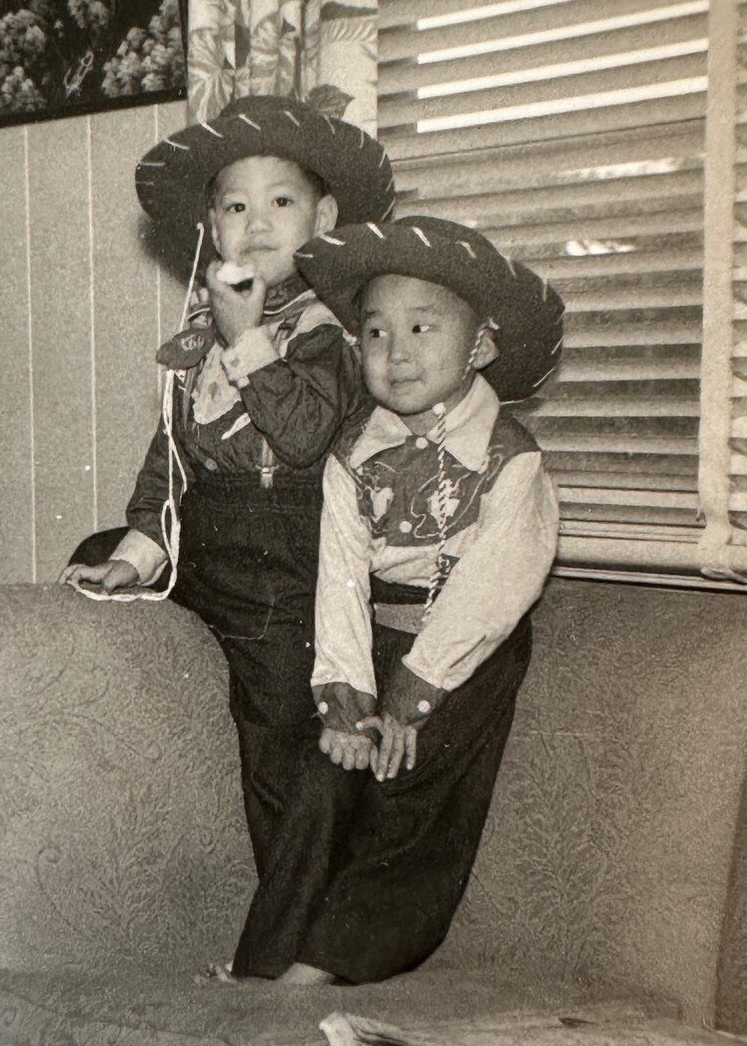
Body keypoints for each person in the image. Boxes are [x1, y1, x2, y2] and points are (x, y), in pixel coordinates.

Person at [60, 95, 396, 980]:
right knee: (98, 572)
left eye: (280, 203)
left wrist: (251, 342)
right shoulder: (198, 341)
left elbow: (302, 436)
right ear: (211, 223)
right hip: (211, 544)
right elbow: (168, 457)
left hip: (287, 560)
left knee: (283, 748)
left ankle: (283, 954)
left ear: (323, 218)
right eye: (235, 206)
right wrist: (139, 549)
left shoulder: (331, 333)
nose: (255, 225)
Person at [284, 215, 564, 984]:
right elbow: (338, 575)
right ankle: (271, 954)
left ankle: (333, 961)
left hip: (461, 657)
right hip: (373, 639)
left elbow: (491, 590)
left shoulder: (509, 458)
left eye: (421, 328)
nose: (396, 353)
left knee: (410, 785)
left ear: (480, 348)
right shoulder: (352, 454)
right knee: (320, 776)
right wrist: (347, 700)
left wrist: (410, 700)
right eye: (375, 333)